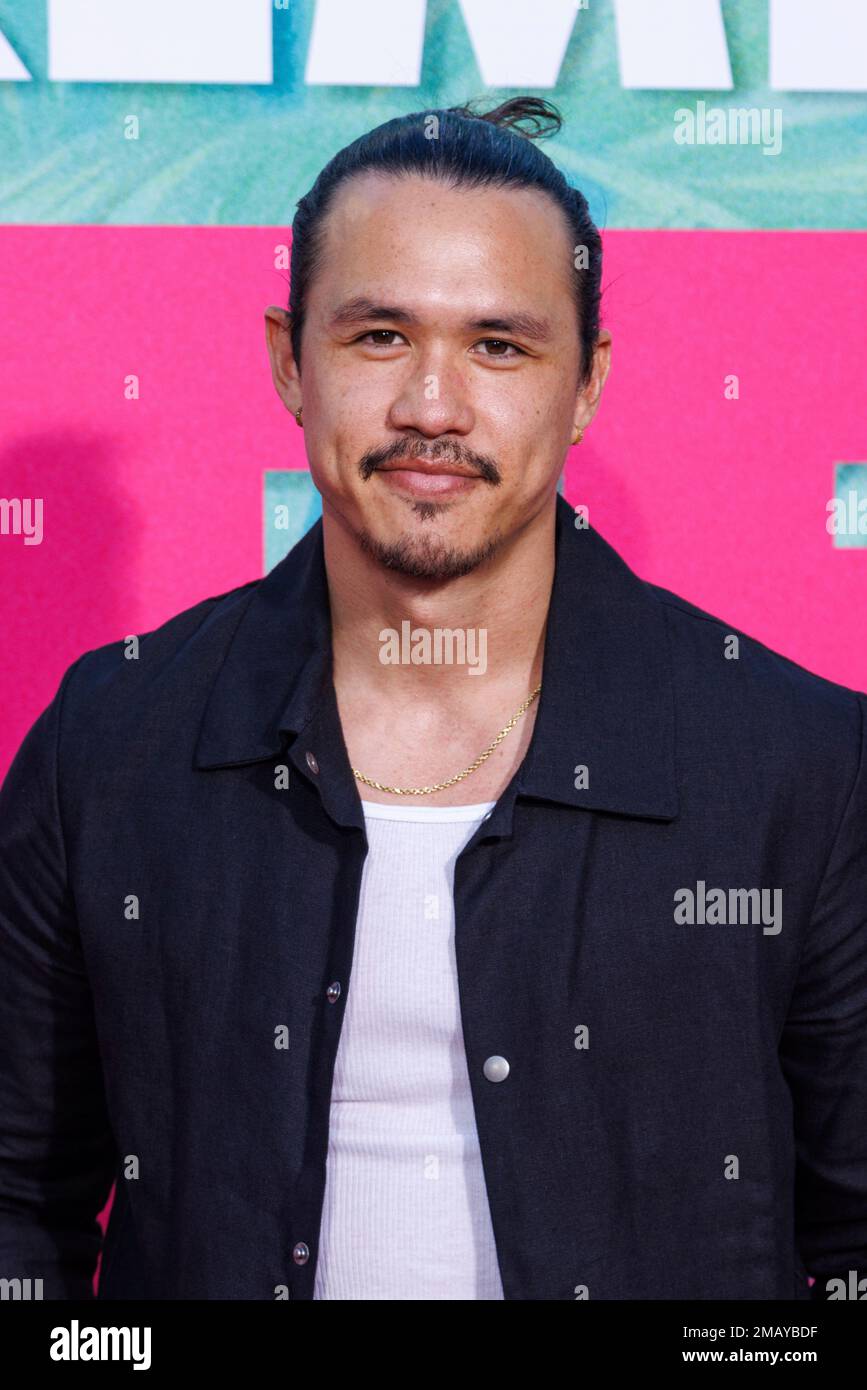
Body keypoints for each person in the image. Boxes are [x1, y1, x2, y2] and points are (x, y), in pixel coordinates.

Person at [1, 97, 865, 1302]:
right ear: (286, 360)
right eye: (379, 337)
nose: (434, 407)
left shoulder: (802, 767)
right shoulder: (109, 746)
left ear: (587, 384)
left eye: (499, 346)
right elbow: (17, 1201)